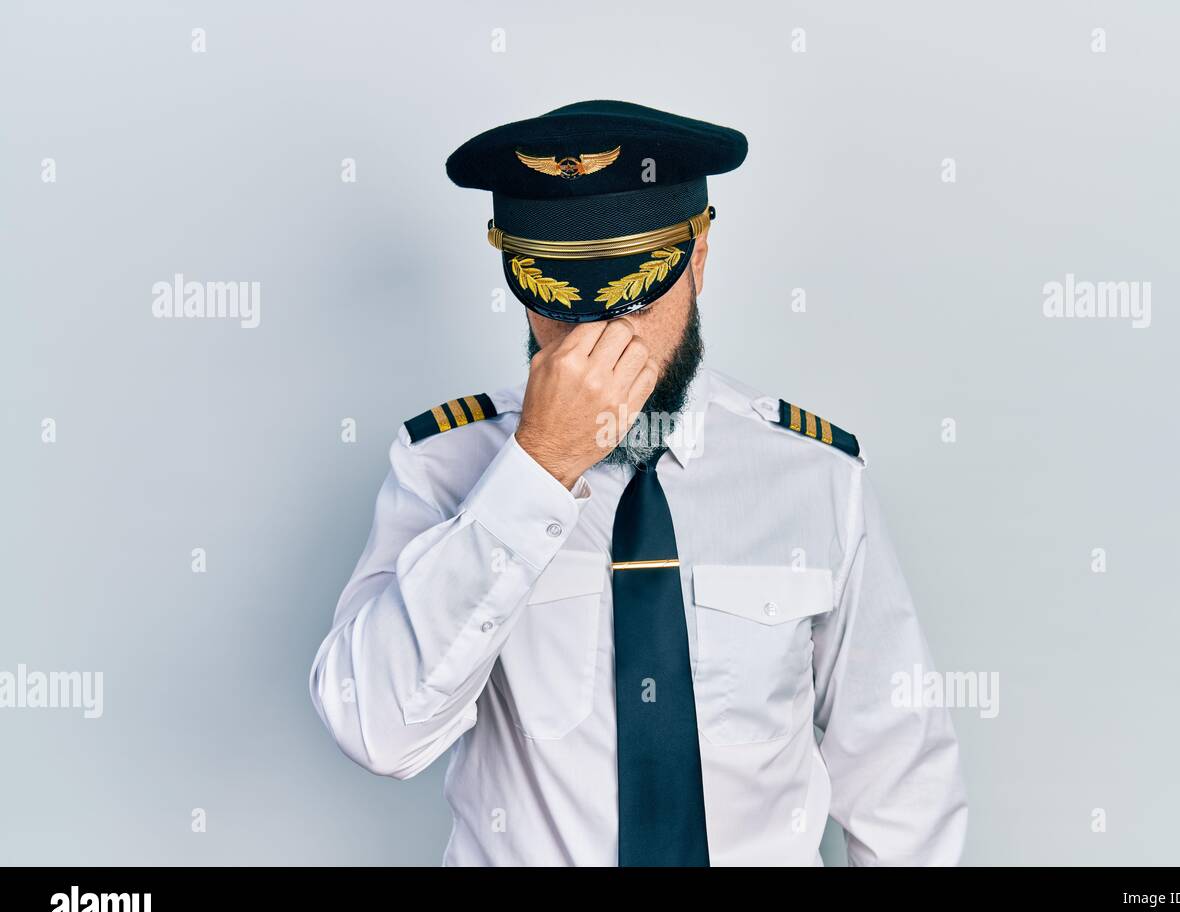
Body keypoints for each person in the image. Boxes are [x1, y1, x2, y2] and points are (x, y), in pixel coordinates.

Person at [309, 101, 967, 866]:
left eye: (632, 295)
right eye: (563, 301)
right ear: (524, 283)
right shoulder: (443, 466)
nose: (596, 342)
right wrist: (536, 468)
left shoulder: (816, 477)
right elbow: (376, 731)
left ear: (696, 257)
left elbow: (900, 782)